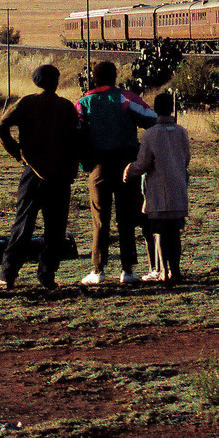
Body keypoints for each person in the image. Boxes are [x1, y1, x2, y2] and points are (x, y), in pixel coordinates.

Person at [0, 64, 82, 290]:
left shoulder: (26, 103)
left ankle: (7, 275)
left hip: (32, 174)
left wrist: (18, 152)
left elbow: (1, 126)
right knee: (56, 229)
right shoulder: (66, 107)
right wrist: (72, 169)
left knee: (23, 225)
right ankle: (47, 275)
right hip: (60, 177)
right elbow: (75, 142)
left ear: (36, 81)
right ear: (57, 81)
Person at [76, 60, 157, 284]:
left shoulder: (84, 103)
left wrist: (85, 164)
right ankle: (128, 270)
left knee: (100, 218)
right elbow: (151, 119)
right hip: (127, 167)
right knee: (127, 218)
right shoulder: (126, 98)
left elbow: (76, 133)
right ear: (115, 77)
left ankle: (97, 270)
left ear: (93, 78)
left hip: (99, 166)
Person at [124, 91, 191, 286]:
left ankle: (163, 271)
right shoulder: (181, 132)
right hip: (178, 186)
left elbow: (144, 163)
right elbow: (186, 159)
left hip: (157, 190)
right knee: (175, 231)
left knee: (160, 231)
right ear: (172, 108)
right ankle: (176, 271)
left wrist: (129, 170)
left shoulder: (150, 134)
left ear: (155, 109)